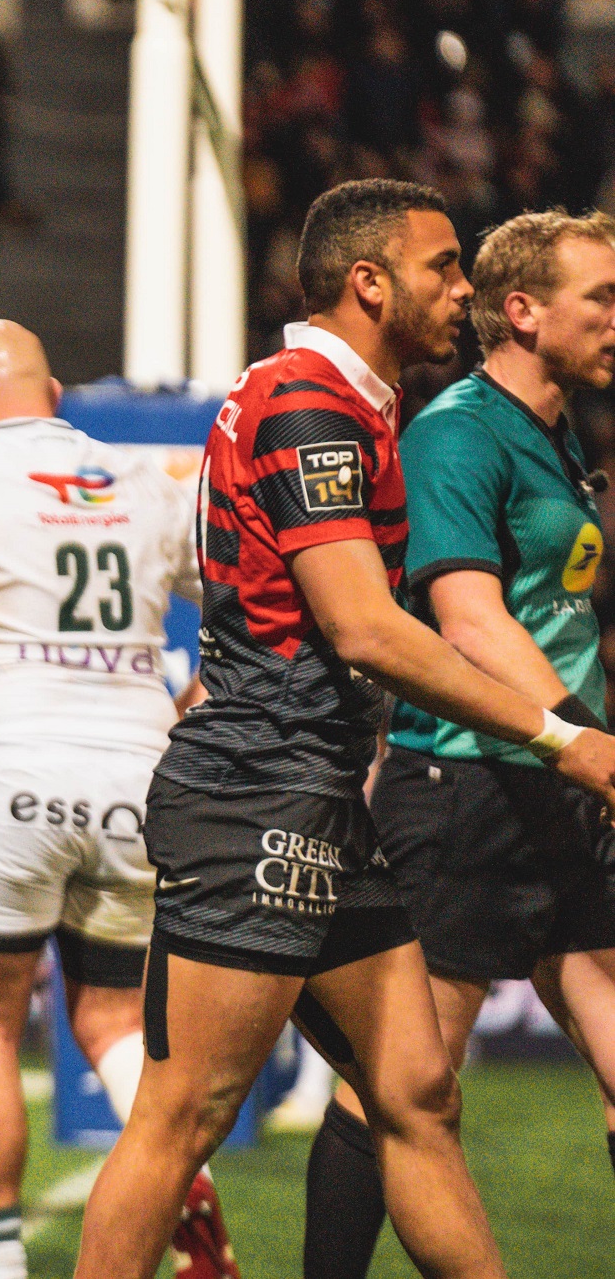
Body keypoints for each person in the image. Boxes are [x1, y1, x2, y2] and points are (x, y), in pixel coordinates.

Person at [74, 180, 615, 1279]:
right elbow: (366, 628)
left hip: (311, 792)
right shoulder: (306, 404)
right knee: (184, 1113)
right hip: (257, 792)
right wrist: (565, 737)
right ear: (368, 281)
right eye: (442, 266)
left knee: (414, 1091)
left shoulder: (347, 401)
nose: (460, 289)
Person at [0, 319, 233, 1279]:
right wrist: (191, 710)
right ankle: (183, 1185)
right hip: (135, 772)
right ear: (56, 394)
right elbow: (239, 602)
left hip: (4, 764)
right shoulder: (147, 485)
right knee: (110, 1018)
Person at [301, 209, 615, 1279]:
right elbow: (471, 619)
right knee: (403, 1084)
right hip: (467, 781)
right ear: (522, 311)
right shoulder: (457, 430)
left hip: (563, 781)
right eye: (601, 299)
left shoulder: (559, 430)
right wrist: (581, 739)